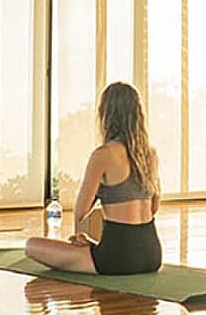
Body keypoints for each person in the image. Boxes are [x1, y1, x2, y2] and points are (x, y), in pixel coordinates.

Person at [25, 82, 162, 274]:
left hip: (117, 259)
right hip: (152, 256)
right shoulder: (150, 154)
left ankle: (98, 250)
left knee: (31, 245)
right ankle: (97, 247)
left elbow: (81, 211)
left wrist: (100, 190)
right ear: (139, 115)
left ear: (105, 115)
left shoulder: (104, 154)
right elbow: (154, 208)